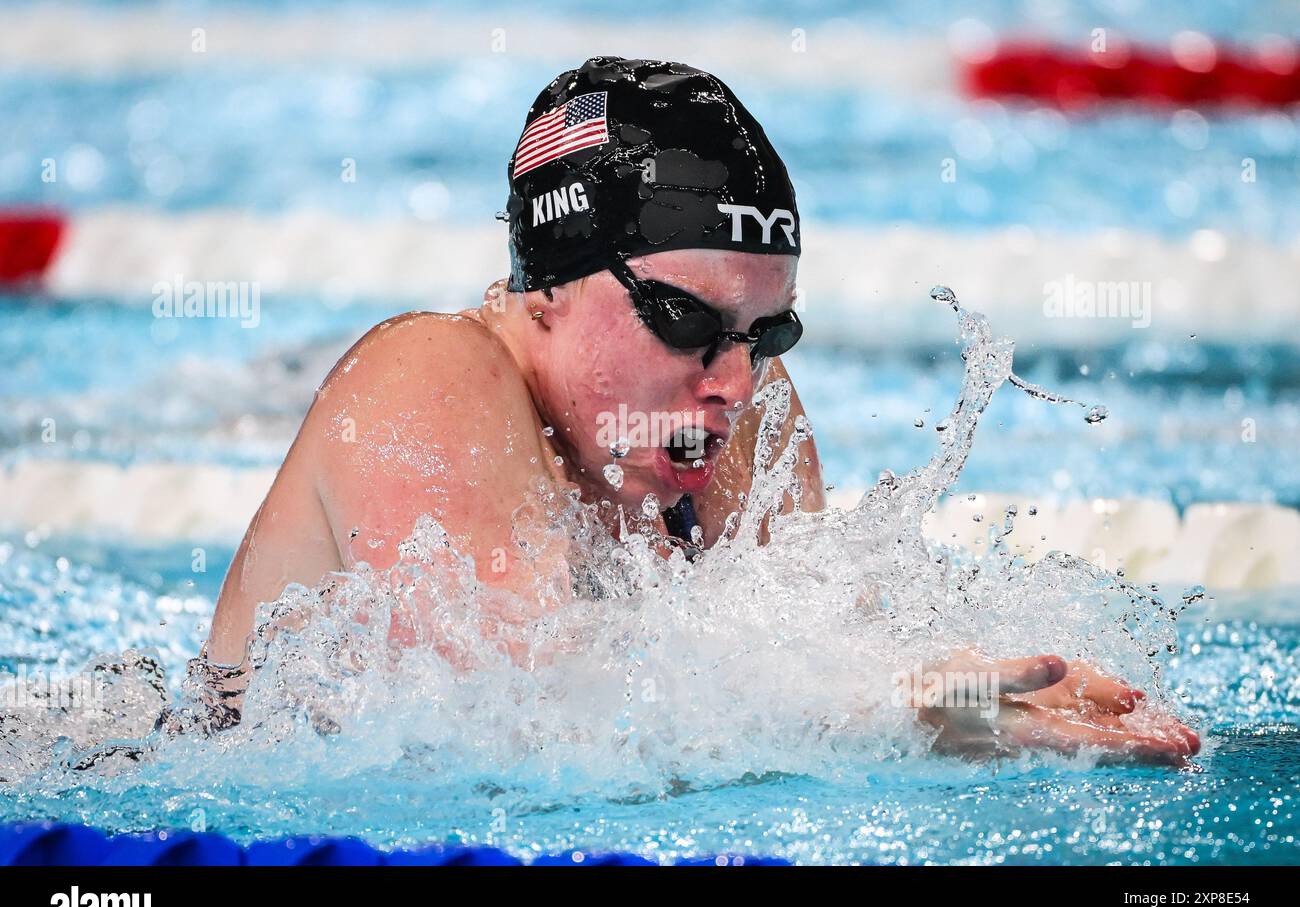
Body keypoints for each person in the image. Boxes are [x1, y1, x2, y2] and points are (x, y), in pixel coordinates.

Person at [204, 56, 1198, 763]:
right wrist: (882, 703)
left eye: (766, 337)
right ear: (547, 281)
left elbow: (818, 665)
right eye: (683, 319)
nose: (734, 381)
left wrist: (973, 698)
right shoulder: (422, 376)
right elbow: (532, 706)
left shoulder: (739, 415)